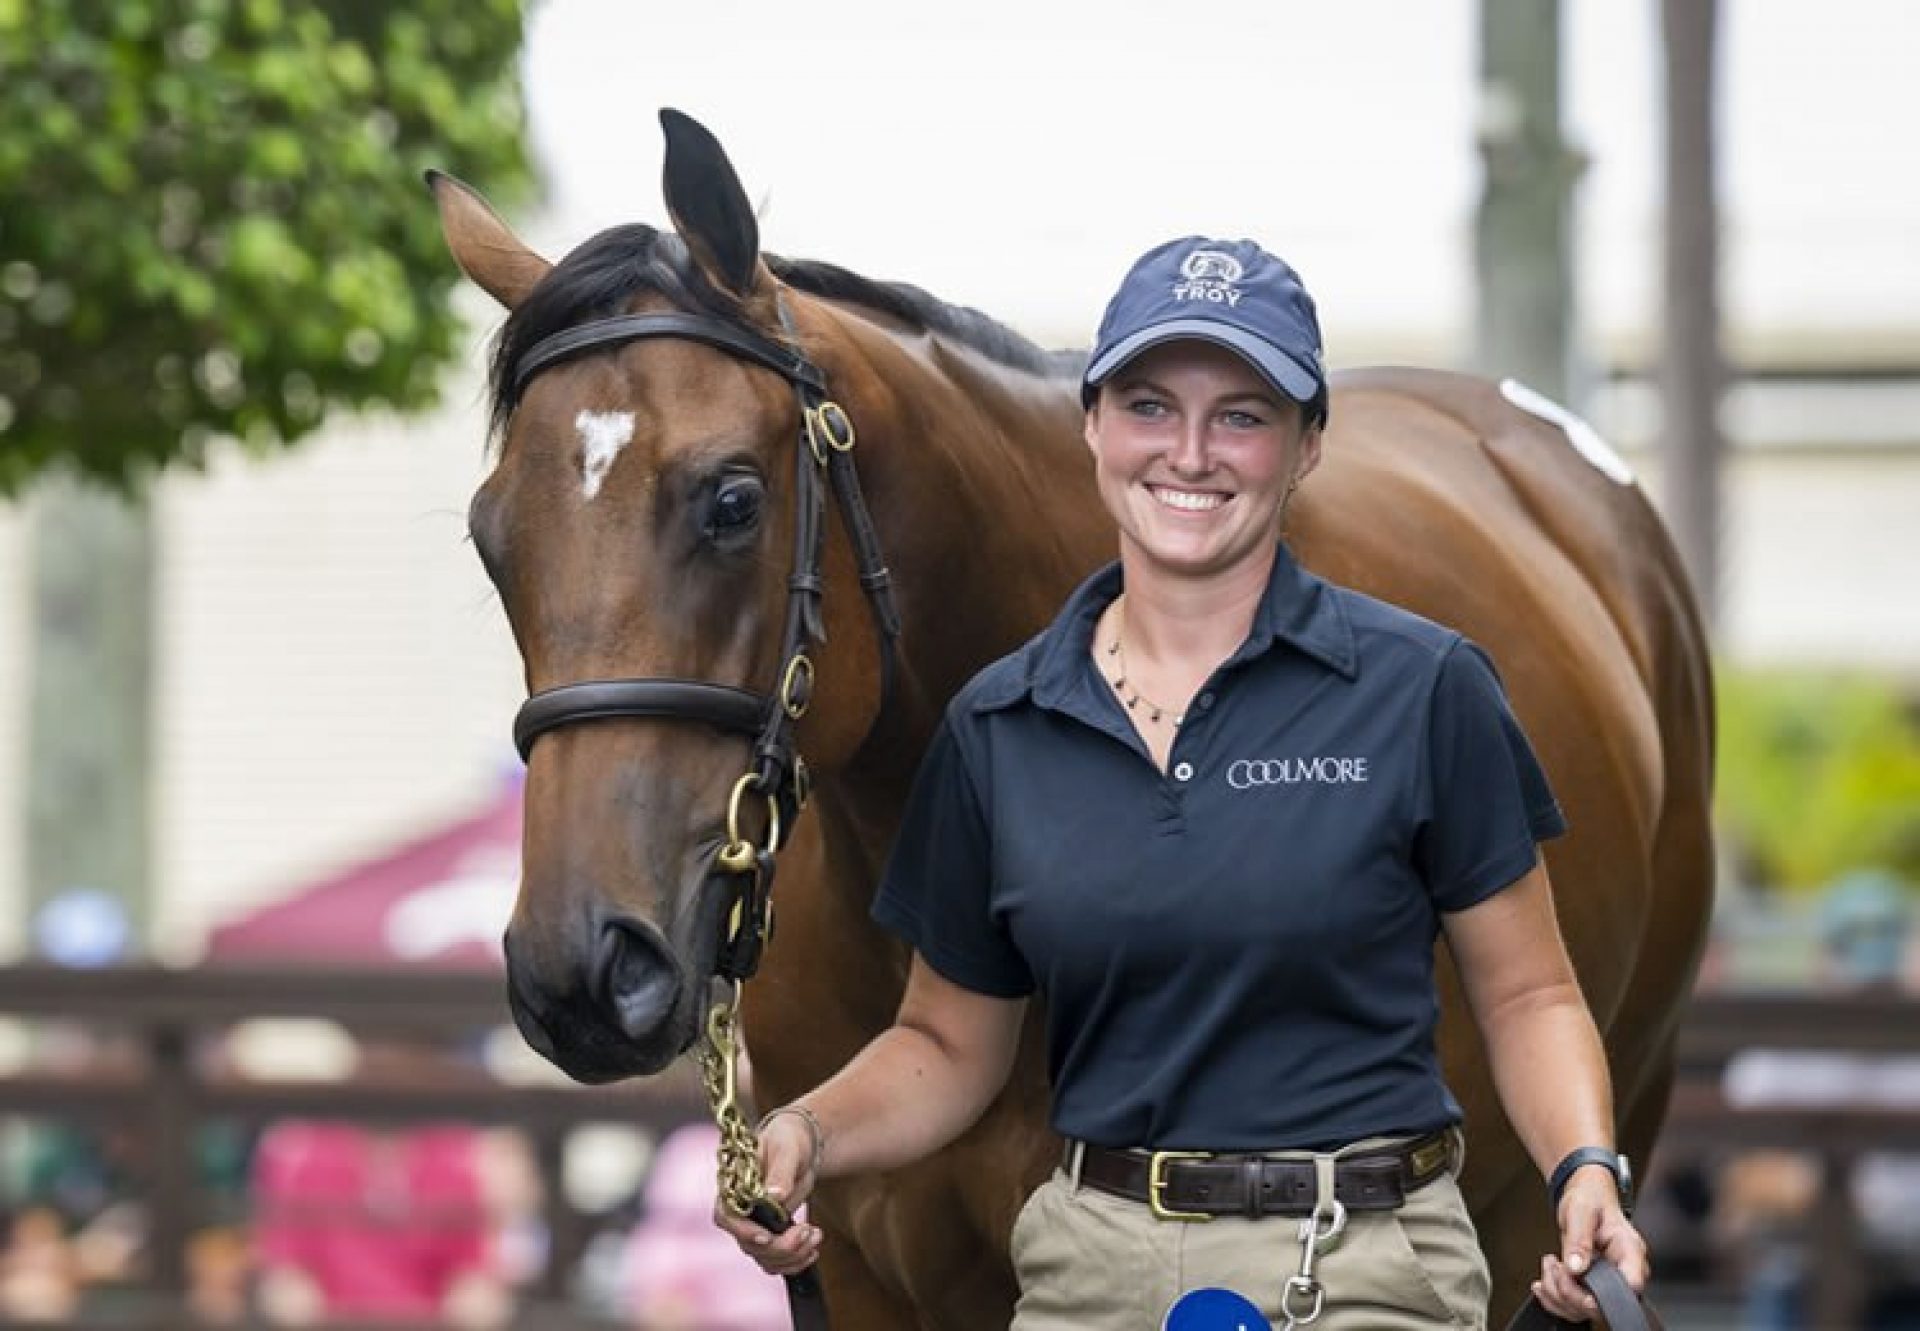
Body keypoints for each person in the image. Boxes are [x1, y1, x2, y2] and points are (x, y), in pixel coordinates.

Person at [716, 235, 1649, 1328]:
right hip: (1090, 1271)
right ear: (1095, 427)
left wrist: (1585, 1166)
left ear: (1305, 446)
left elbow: (1529, 993)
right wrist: (806, 1132)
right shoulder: (1000, 724)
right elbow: (947, 1044)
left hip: (1364, 1266)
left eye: (1243, 414)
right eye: (1151, 406)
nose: (1191, 452)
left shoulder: (1427, 689)